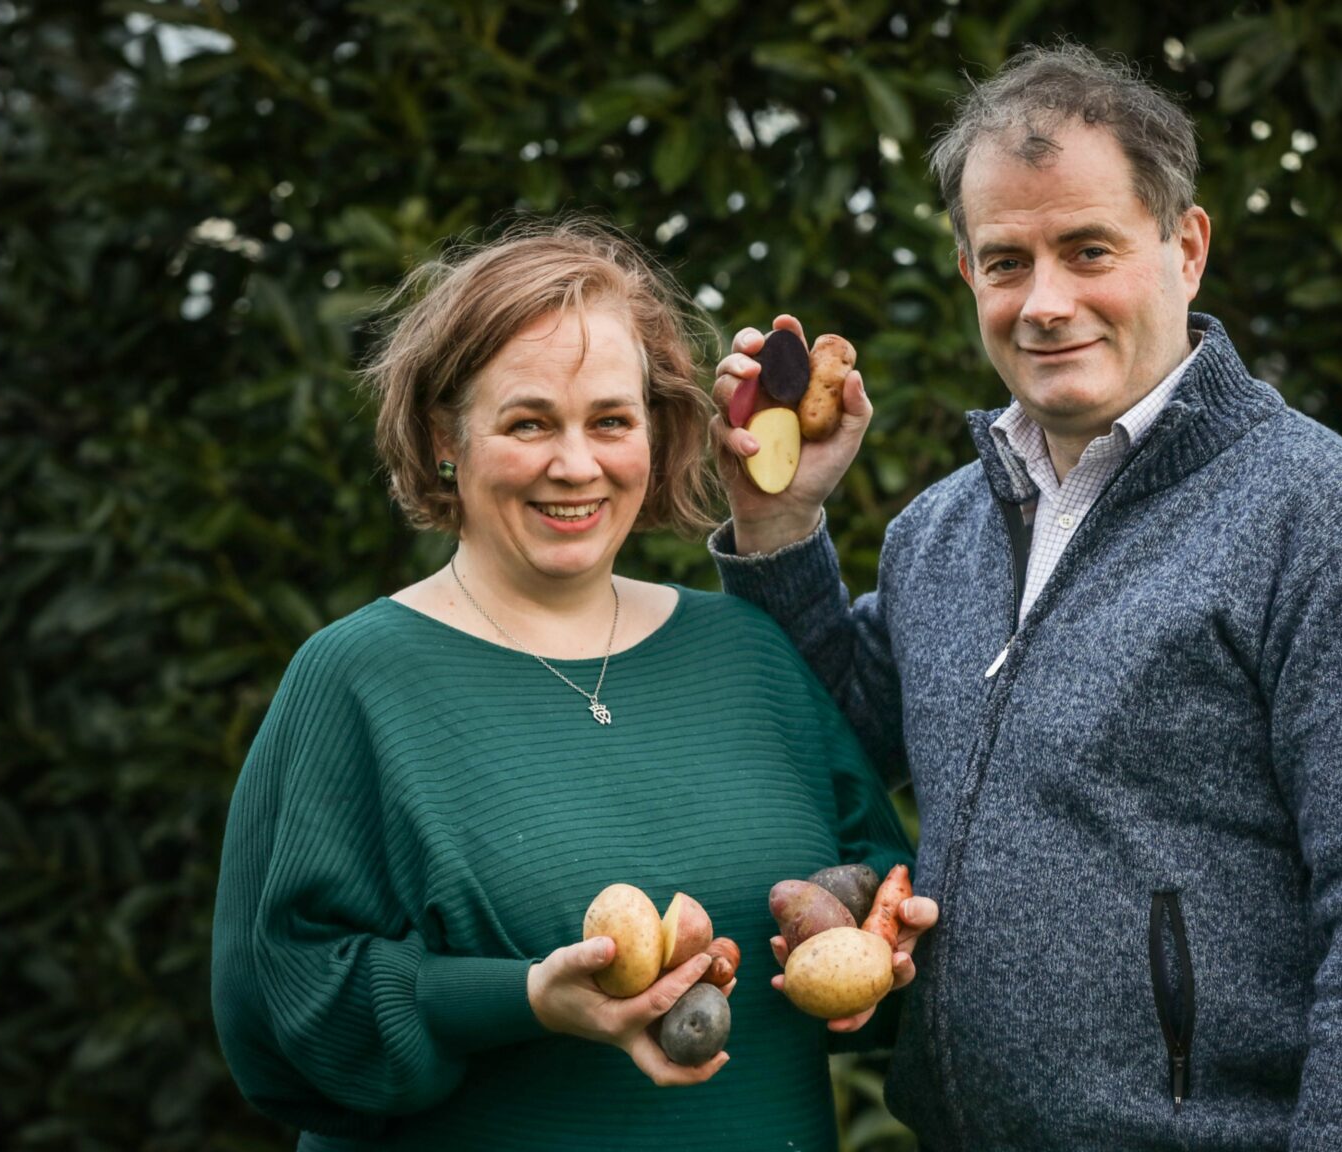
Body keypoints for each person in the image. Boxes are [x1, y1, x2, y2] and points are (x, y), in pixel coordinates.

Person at [709, 44, 1342, 1151]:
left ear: (1186, 246)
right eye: (1007, 260)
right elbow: (830, 736)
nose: (1046, 303)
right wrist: (778, 519)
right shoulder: (941, 529)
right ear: (967, 271)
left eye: (1087, 250)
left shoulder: (1317, 517)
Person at [210, 219, 936, 1151]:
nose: (576, 464)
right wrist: (519, 1000)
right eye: (527, 422)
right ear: (445, 439)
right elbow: (282, 1011)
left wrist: (885, 949)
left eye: (610, 421)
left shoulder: (747, 654)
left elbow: (870, 921)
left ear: (655, 433)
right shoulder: (356, 680)